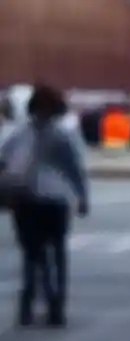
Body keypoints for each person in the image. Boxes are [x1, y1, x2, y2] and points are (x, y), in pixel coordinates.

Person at [0, 85, 88, 327]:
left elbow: (3, 162)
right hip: (55, 202)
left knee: (31, 255)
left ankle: (28, 304)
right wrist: (82, 198)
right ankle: (55, 304)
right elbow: (74, 170)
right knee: (57, 254)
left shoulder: (20, 134)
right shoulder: (62, 135)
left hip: (26, 200)